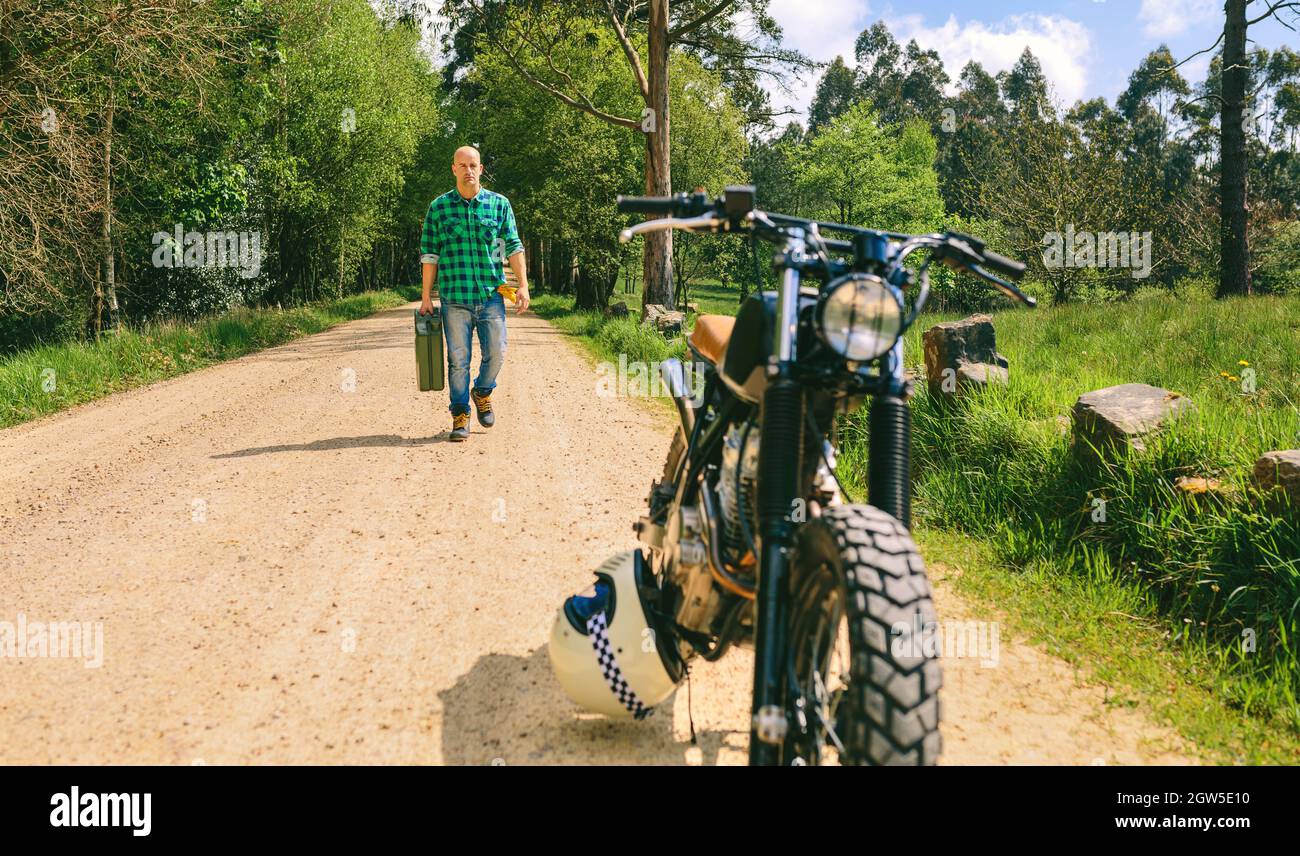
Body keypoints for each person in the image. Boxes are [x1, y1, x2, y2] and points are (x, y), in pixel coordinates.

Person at [418, 145, 530, 441]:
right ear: (453, 169)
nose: (468, 170)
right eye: (462, 165)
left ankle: (482, 390)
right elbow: (430, 254)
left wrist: (523, 286)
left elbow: (514, 246)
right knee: (458, 360)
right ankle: (460, 414)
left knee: (497, 352)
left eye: (473, 165)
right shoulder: (439, 208)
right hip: (454, 297)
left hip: (492, 294)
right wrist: (426, 296)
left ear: (481, 169)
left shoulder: (499, 204)